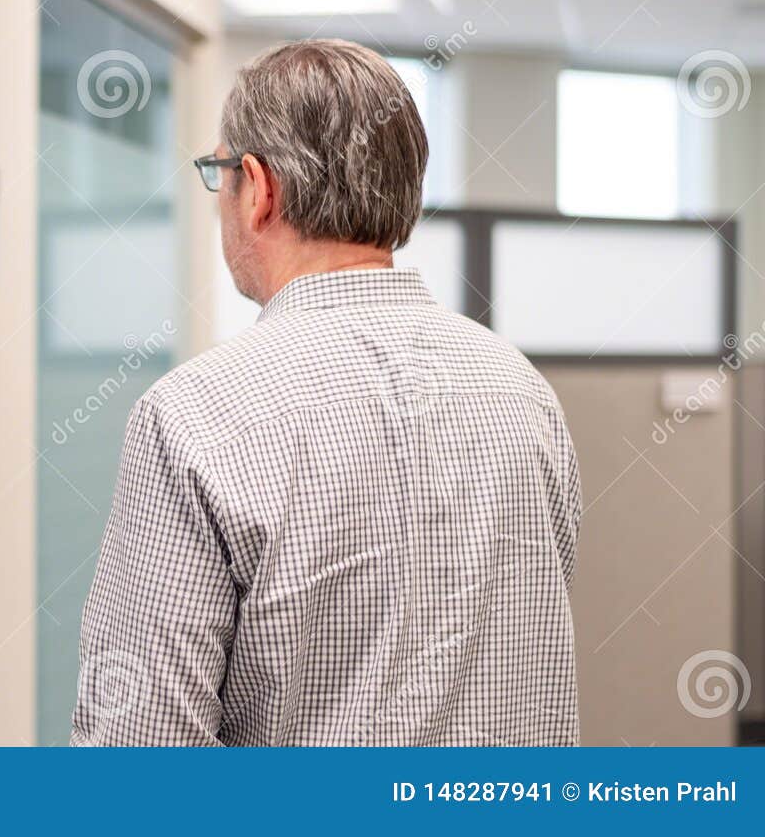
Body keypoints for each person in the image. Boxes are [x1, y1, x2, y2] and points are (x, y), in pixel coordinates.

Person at [71, 39, 580, 746]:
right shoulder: (521, 391)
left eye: (222, 174)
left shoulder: (194, 413)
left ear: (259, 187)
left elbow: (141, 749)